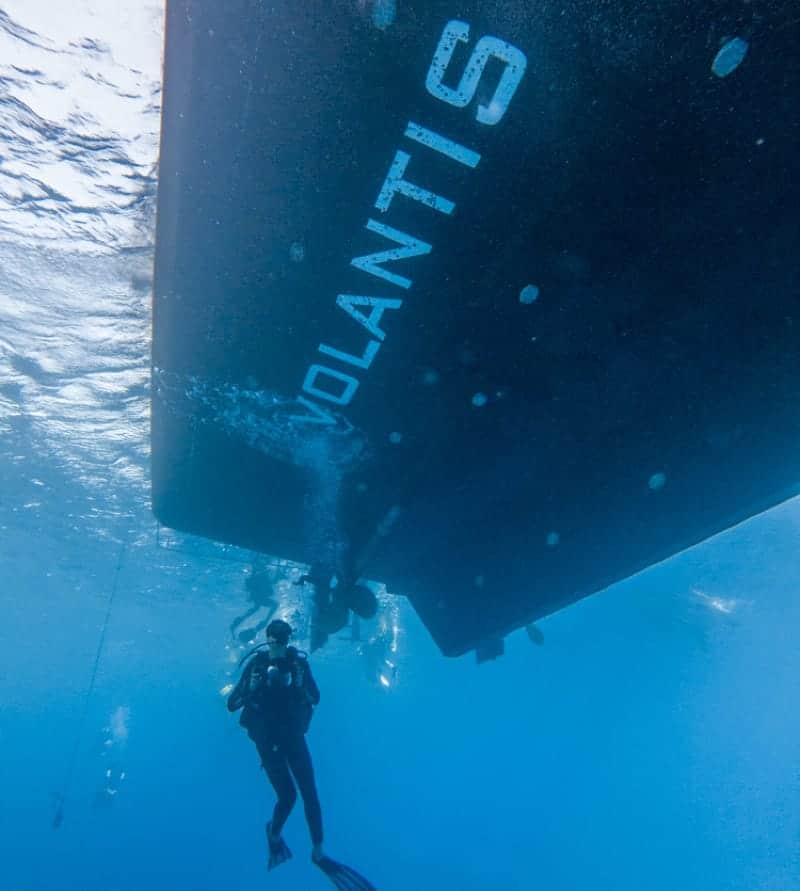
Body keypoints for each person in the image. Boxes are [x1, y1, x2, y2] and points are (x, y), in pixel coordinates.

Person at [227, 619, 376, 890]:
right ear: (268, 638)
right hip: (268, 741)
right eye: (275, 639)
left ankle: (318, 852)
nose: (279, 645)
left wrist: (298, 684)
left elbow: (316, 697)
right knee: (288, 797)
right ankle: (273, 836)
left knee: (310, 792)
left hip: (293, 737)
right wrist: (252, 687)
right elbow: (232, 704)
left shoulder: (298, 664)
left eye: (283, 639)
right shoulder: (255, 666)